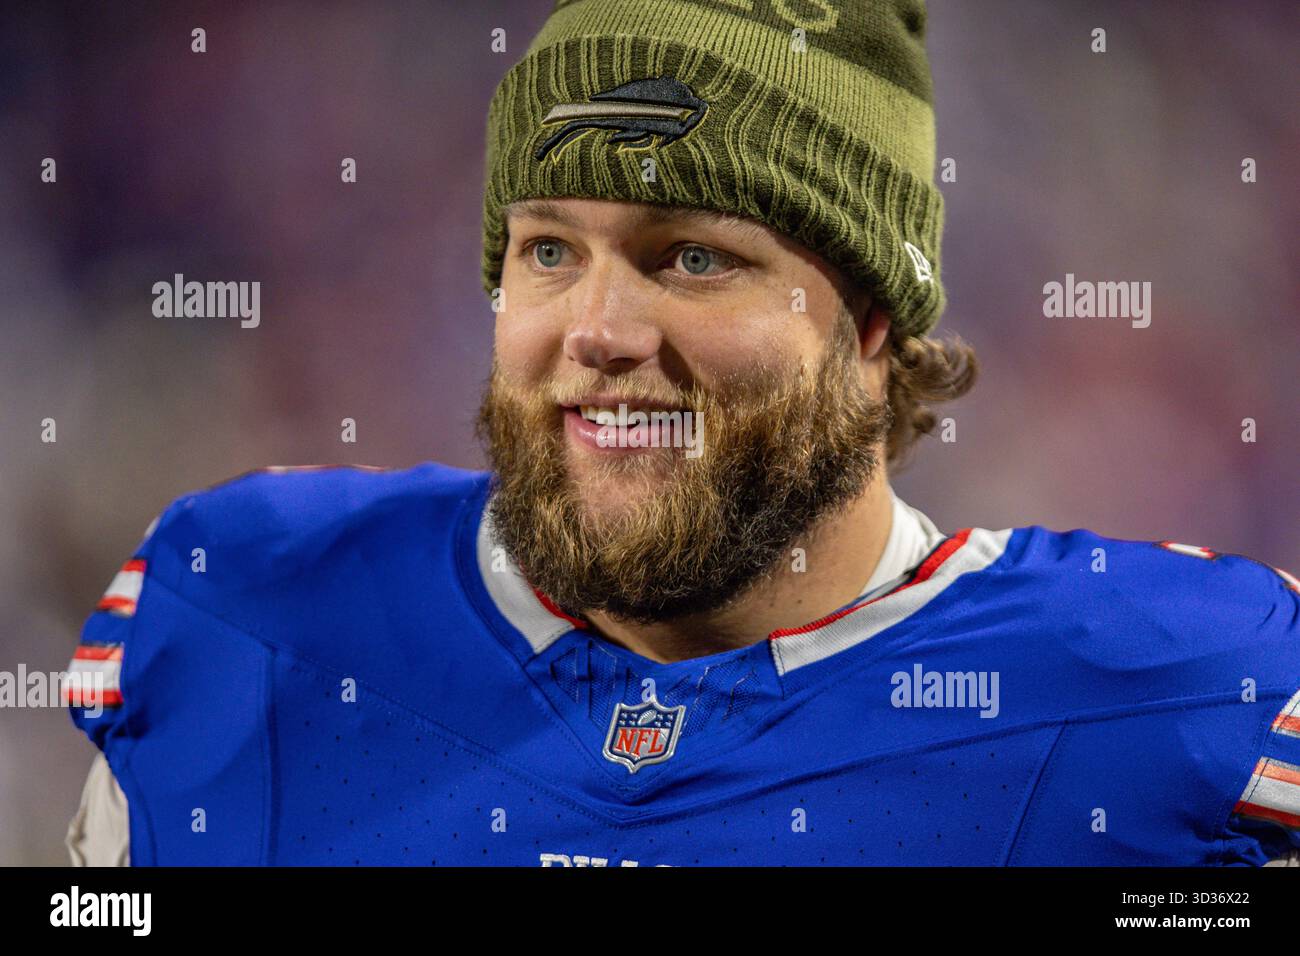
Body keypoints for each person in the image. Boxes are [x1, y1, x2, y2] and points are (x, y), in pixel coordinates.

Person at [66, 0, 1298, 866]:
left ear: (870, 321)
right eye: (548, 249)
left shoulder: (1187, 705)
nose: (597, 329)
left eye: (692, 256)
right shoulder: (246, 614)